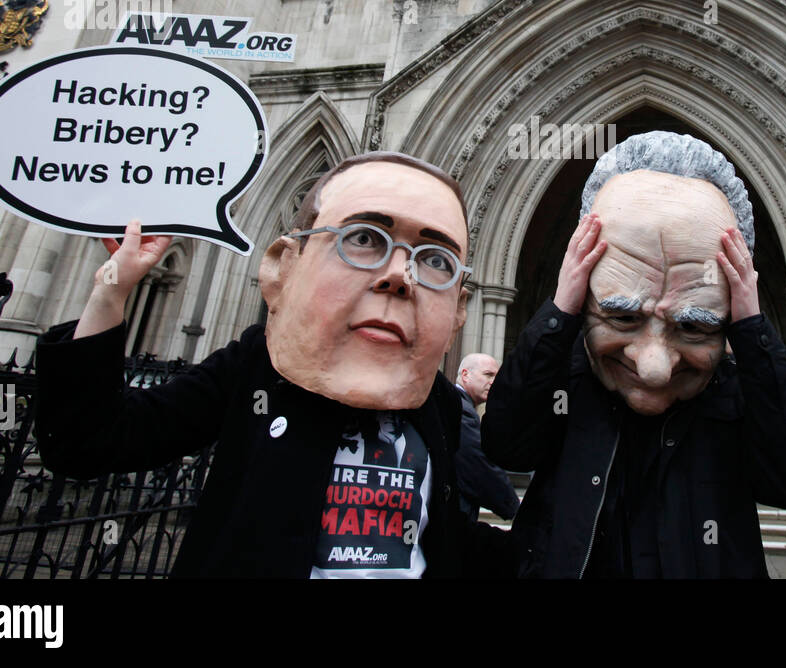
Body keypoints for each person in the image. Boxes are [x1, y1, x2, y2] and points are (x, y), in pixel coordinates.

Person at [35, 151, 513, 578]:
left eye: (436, 260)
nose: (398, 276)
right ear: (282, 269)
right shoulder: (255, 372)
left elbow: (440, 531)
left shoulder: (442, 406)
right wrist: (112, 292)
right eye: (364, 238)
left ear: (460, 310)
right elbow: (86, 443)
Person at [482, 132, 786, 578]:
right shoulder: (561, 373)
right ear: (583, 288)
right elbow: (506, 446)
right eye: (622, 317)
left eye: (694, 325)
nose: (654, 368)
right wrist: (559, 314)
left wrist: (752, 334)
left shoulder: (739, 385)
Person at [453, 354, 520, 521]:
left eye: (497, 377)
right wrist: (514, 508)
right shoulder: (460, 410)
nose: (494, 382)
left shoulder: (460, 406)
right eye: (488, 375)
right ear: (465, 375)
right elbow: (479, 467)